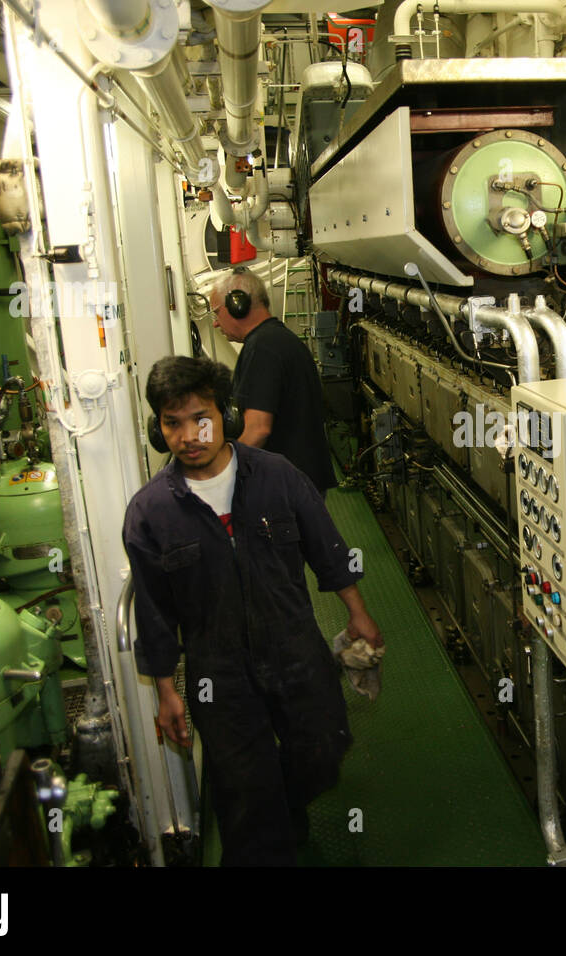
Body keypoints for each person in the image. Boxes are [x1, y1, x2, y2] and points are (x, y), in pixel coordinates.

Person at [122, 355, 383, 866]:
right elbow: (153, 612)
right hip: (218, 672)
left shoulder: (277, 475)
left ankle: (286, 807)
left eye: (200, 418)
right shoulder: (150, 512)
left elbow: (326, 548)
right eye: (171, 423)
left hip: (294, 646)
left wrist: (358, 612)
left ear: (227, 417)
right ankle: (268, 832)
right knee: (246, 794)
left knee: (324, 751)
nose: (187, 435)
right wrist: (166, 692)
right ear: (159, 429)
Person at [211, 268, 337, 494]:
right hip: (298, 481)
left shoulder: (264, 348)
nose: (215, 323)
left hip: (286, 486)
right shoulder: (274, 340)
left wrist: (219, 474)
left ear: (237, 305)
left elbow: (258, 429)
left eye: (216, 312)